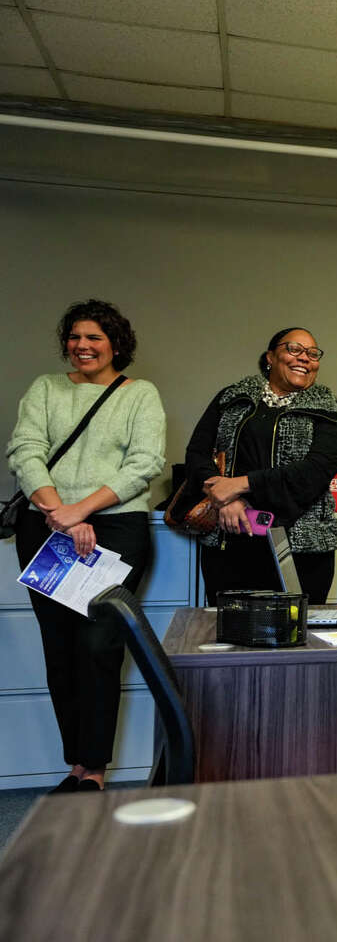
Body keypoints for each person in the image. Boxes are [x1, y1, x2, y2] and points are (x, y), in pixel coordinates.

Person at [7, 300, 165, 793]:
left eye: (94, 337)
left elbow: (145, 462)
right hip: (46, 527)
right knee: (60, 647)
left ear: (116, 343)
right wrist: (59, 512)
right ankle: (74, 763)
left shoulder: (140, 395)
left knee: (99, 644)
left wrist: (82, 511)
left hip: (116, 528)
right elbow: (25, 450)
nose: (82, 346)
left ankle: (94, 770)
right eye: (75, 337)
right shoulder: (46, 389)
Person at [185, 327, 337, 606]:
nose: (304, 358)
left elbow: (315, 472)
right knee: (230, 635)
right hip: (230, 540)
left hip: (301, 547)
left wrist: (240, 484)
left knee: (296, 638)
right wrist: (225, 500)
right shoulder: (232, 398)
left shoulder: (329, 409)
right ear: (270, 357)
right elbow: (197, 454)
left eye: (312, 353)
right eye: (294, 349)